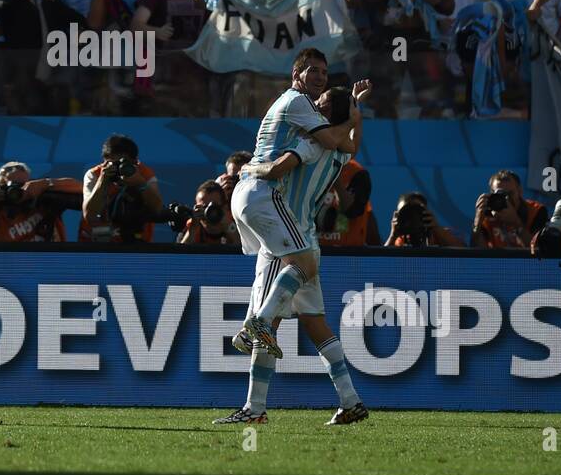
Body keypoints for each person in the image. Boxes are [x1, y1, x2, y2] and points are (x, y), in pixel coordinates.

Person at [224, 56, 370, 427]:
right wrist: (356, 110)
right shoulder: (341, 152)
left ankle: (255, 407)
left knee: (266, 326)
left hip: (284, 230)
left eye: (320, 106)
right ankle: (350, 401)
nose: (315, 103)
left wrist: (250, 168)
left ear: (323, 113)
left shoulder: (310, 142)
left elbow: (276, 169)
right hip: (305, 234)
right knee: (316, 322)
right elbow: (352, 142)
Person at [79, 133, 163, 243]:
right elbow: (89, 214)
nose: (119, 169)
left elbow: (157, 208)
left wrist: (141, 183)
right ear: (104, 161)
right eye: (114, 164)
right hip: (99, 240)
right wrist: (103, 181)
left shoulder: (144, 174)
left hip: (136, 241)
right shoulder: (94, 174)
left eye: (124, 164)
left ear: (135, 162)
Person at [0, 162, 83, 243]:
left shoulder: (45, 202)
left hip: (52, 264)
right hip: (17, 269)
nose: (20, 190)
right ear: (0, 188)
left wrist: (45, 184)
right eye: (13, 186)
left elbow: (82, 188)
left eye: (24, 185)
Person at [471, 170, 548, 249]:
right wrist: (477, 224)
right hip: (497, 260)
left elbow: (538, 250)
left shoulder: (535, 211)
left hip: (525, 260)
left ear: (520, 191)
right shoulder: (486, 214)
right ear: (491, 194)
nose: (506, 199)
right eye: (500, 194)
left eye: (510, 194)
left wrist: (516, 222)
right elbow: (478, 253)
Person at [385, 192, 465, 247]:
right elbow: (379, 262)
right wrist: (393, 235)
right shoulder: (398, 241)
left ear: (427, 212)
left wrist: (436, 229)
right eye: (406, 213)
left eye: (417, 212)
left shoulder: (445, 234)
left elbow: (464, 253)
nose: (412, 217)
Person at [175, 180, 239, 245]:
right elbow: (180, 253)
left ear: (225, 207)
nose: (209, 212)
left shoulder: (238, 223)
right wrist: (193, 230)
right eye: (204, 207)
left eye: (214, 207)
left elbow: (246, 250)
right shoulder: (191, 226)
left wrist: (230, 227)